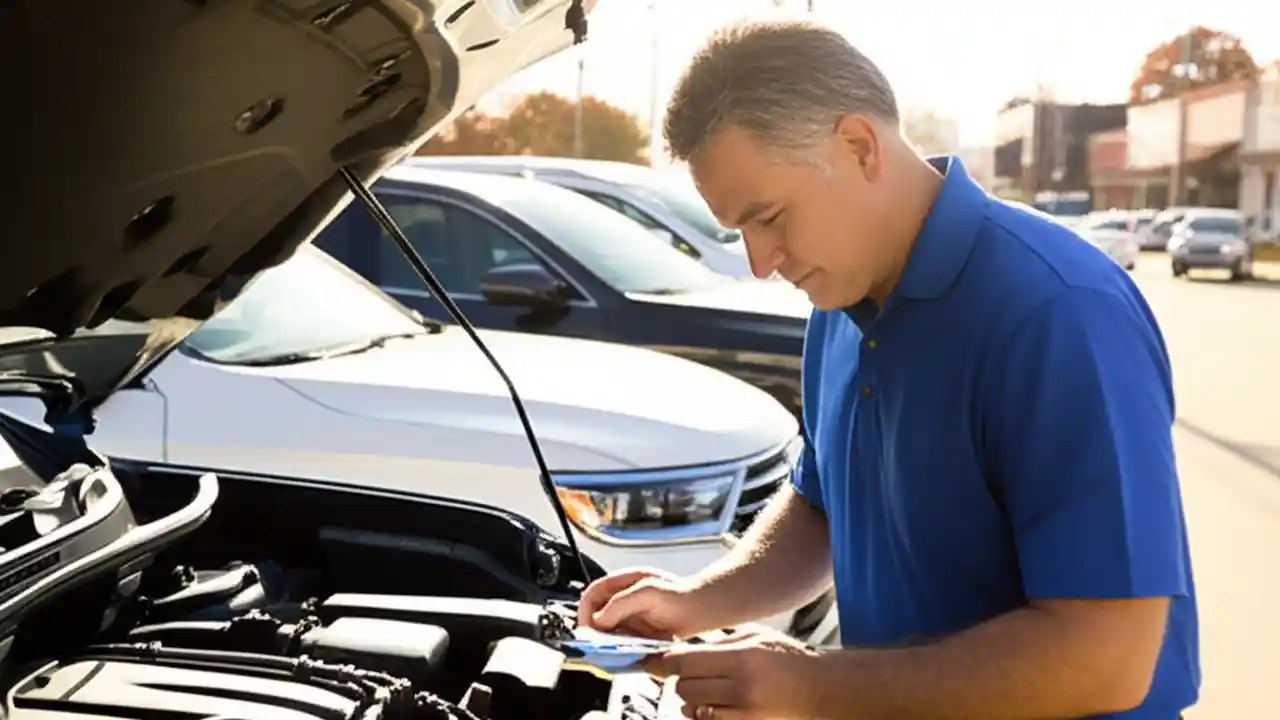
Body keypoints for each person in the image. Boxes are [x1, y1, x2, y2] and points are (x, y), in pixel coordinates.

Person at [575, 19, 1198, 720]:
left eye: (770, 216)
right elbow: (822, 506)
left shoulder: (1058, 312)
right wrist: (693, 601)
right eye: (739, 231)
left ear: (858, 145)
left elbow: (1107, 661)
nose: (759, 260)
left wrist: (816, 687)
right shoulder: (837, 305)